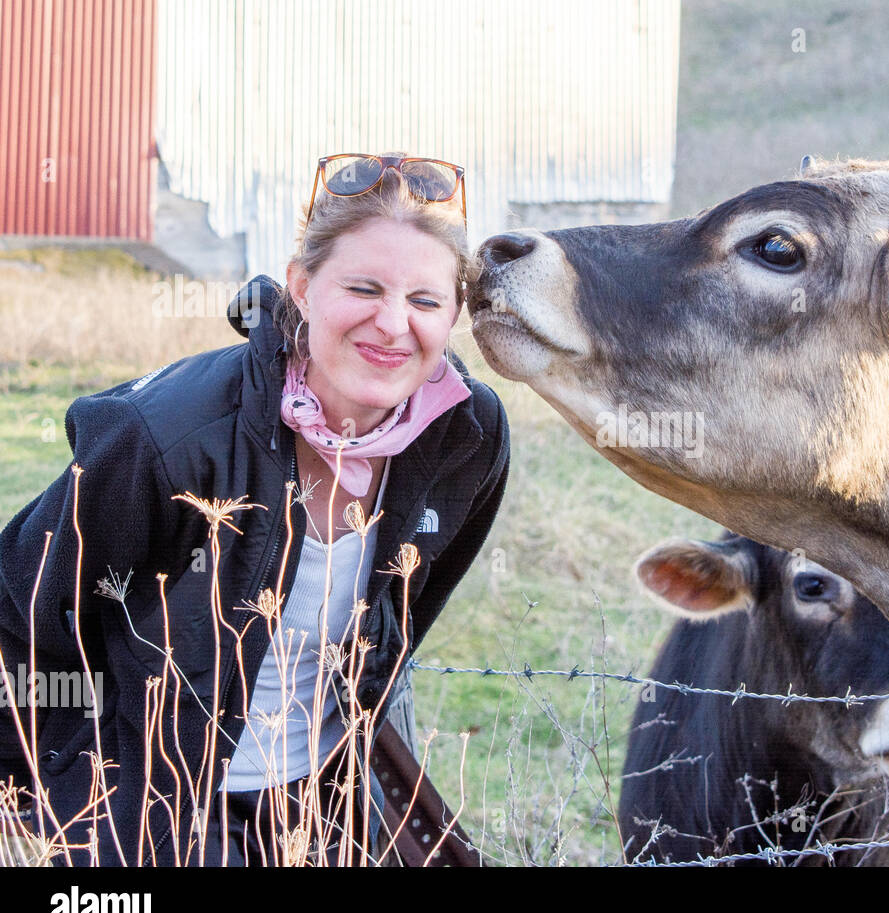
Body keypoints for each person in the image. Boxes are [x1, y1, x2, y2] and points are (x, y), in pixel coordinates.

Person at [0, 153, 509, 866]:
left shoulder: (467, 437)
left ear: (453, 312)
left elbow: (409, 607)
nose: (393, 325)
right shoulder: (166, 436)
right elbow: (25, 608)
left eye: (425, 301)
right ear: (301, 286)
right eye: (363, 287)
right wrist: (57, 791)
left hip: (321, 800)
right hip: (157, 805)